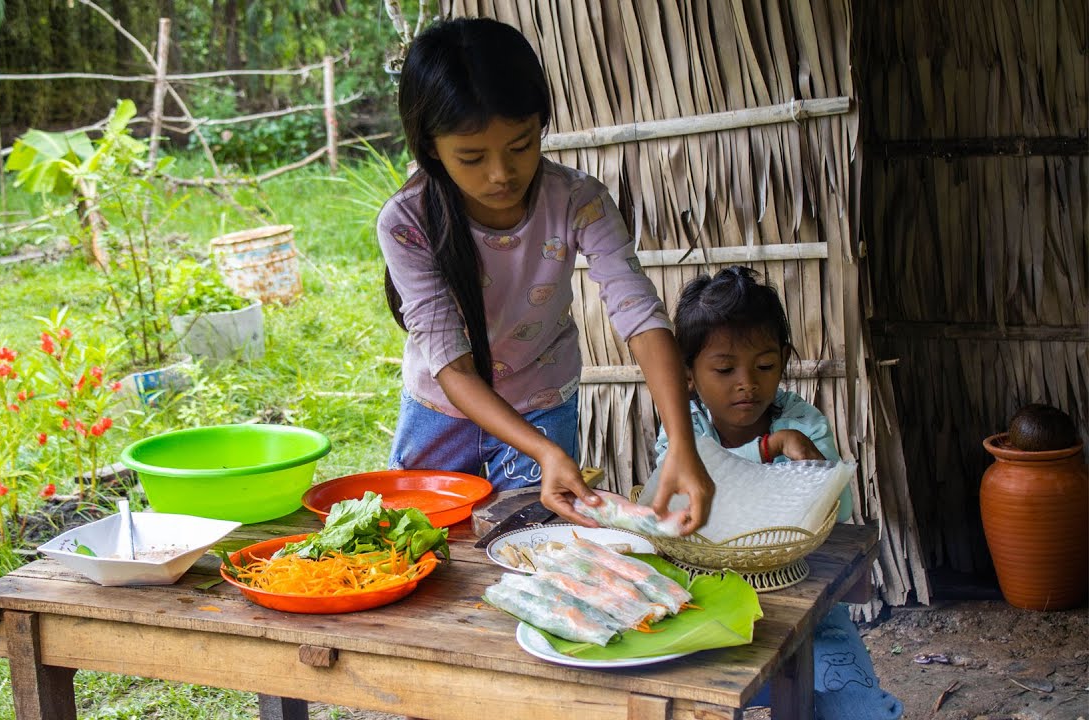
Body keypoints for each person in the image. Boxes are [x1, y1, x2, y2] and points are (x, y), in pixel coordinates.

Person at [376, 17, 713, 533]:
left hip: (541, 401)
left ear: (541, 125)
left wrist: (683, 444)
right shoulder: (407, 222)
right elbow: (454, 367)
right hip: (441, 409)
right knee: (424, 545)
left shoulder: (578, 201)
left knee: (537, 548)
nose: (501, 175)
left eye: (521, 145)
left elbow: (641, 316)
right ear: (430, 147)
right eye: (471, 157)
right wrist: (543, 451)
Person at [640, 266, 902, 720]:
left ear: (782, 359)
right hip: (705, 604)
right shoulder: (686, 430)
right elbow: (687, 499)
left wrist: (812, 461)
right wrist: (767, 448)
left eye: (764, 366)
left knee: (859, 710)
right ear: (687, 375)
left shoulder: (801, 424)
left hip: (810, 607)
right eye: (724, 369)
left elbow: (834, 509)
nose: (747, 382)